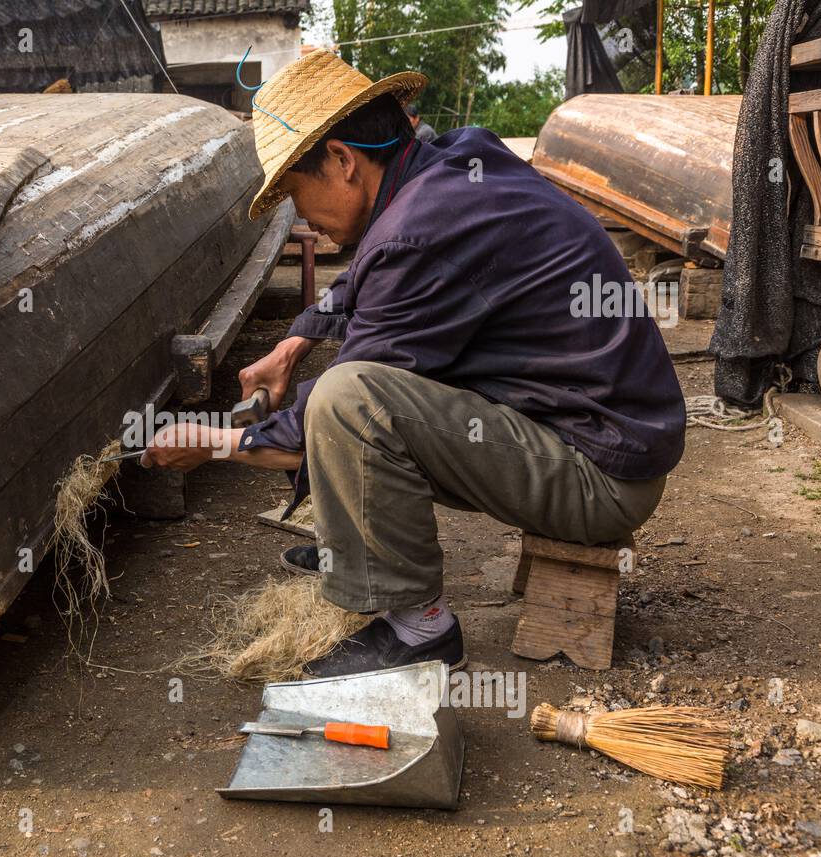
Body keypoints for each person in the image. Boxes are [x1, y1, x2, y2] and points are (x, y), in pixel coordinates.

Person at [141, 51, 684, 678]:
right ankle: (358, 552)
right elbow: (371, 276)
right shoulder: (454, 164)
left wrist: (211, 444)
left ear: (343, 161)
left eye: (294, 192)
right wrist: (294, 342)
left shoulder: (416, 233)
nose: (299, 220)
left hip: (600, 479)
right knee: (357, 390)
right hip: (600, 437)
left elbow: (331, 412)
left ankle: (420, 628)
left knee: (348, 401)